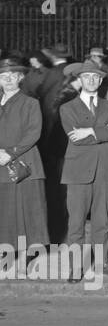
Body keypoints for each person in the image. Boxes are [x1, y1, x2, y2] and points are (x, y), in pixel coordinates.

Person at [60, 60, 108, 280]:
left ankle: (102, 262)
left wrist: (89, 130)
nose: (91, 81)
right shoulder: (67, 108)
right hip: (78, 172)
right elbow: (75, 139)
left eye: (95, 77)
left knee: (102, 221)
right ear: (80, 80)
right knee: (76, 223)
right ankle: (75, 267)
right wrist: (101, 132)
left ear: (101, 80)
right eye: (86, 77)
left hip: (105, 170)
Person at [0, 57, 49, 250]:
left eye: (13, 75)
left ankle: (30, 252)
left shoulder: (30, 103)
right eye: (4, 76)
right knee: (5, 210)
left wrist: (10, 153)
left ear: (20, 78)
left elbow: (33, 133)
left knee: (29, 210)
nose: (9, 79)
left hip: (25, 163)